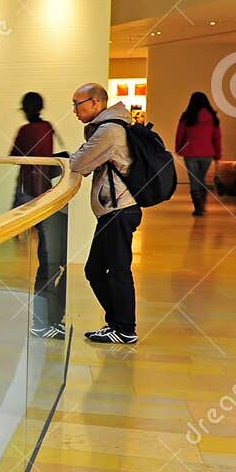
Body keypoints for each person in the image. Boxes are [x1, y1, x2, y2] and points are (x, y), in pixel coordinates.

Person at [68, 83, 141, 345]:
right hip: (114, 209)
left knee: (117, 269)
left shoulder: (109, 130)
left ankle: (124, 328)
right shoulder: (106, 128)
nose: (74, 110)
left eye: (77, 104)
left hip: (118, 209)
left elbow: (78, 163)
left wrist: (78, 156)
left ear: (96, 103)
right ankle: (117, 324)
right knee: (95, 269)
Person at [11, 92, 67, 339]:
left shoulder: (25, 131)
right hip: (45, 193)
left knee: (46, 257)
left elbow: (14, 156)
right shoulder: (48, 128)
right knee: (49, 255)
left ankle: (41, 320)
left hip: (29, 192)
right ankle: (45, 318)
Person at [175, 91, 221, 217]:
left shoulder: (187, 117)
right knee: (201, 178)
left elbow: (180, 135)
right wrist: (217, 154)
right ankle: (202, 205)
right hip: (207, 152)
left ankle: (198, 208)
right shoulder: (212, 117)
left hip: (191, 152)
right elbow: (217, 137)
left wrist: (178, 148)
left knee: (194, 179)